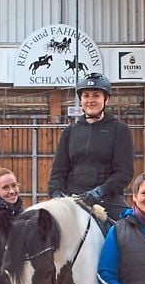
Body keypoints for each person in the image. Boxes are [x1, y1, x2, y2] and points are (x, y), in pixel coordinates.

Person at [49, 72, 135, 222]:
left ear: (106, 99)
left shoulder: (119, 130)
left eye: (96, 95)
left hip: (107, 200)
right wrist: (57, 194)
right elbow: (58, 172)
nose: (90, 100)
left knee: (129, 233)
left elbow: (124, 172)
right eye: (86, 96)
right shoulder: (70, 132)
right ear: (81, 100)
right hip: (74, 200)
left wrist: (99, 192)